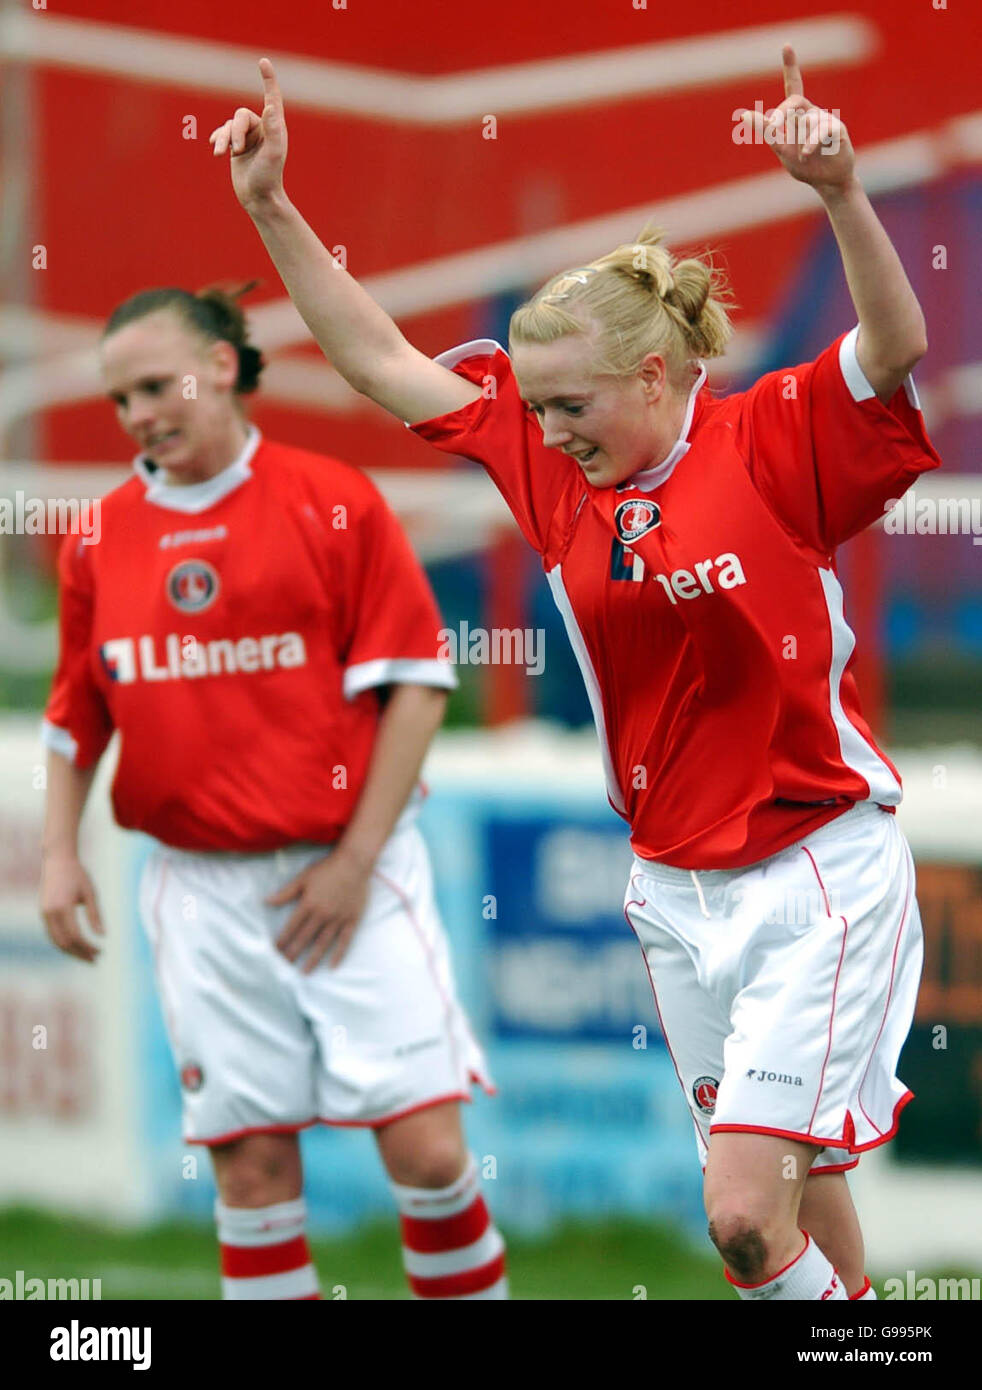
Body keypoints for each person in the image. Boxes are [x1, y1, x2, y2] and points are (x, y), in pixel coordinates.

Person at [209, 47, 938, 1301]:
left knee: (742, 1222)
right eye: (532, 408)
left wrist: (838, 194)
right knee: (804, 1195)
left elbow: (895, 341)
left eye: (568, 406)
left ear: (654, 376)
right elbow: (383, 365)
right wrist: (272, 205)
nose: (543, 433)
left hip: (812, 863)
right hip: (671, 884)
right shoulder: (554, 467)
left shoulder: (770, 439)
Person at [38, 284, 507, 1301]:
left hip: (353, 875)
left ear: (220, 367)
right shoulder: (96, 540)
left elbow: (418, 687)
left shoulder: (328, 499)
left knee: (426, 1152)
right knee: (250, 1171)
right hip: (201, 893)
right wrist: (60, 850)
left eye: (156, 385)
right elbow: (77, 713)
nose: (139, 415)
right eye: (121, 399)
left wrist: (350, 863)